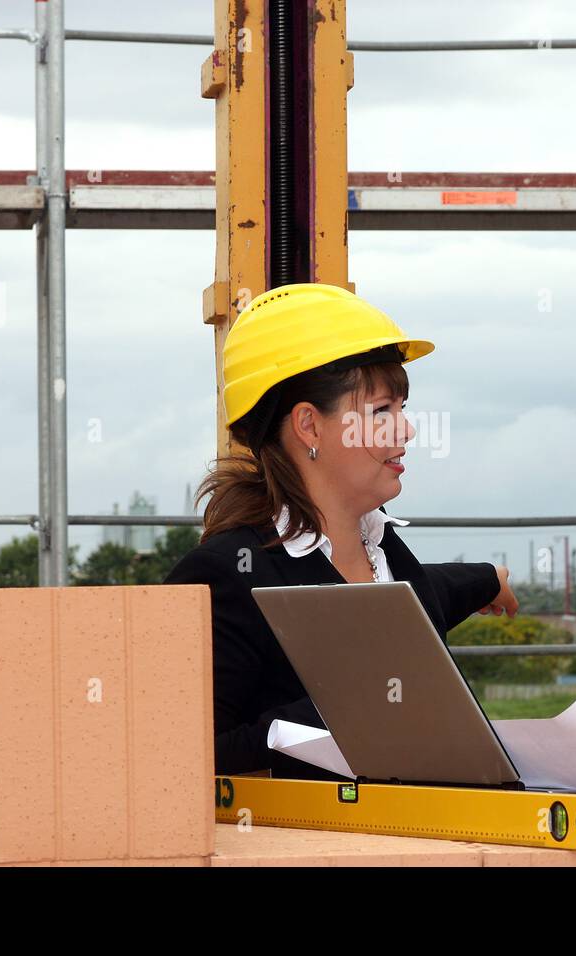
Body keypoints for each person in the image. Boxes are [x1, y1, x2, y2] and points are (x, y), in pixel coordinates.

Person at [165, 282, 518, 779]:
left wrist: (487, 578)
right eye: (382, 412)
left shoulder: (385, 550)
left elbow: (407, 600)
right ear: (309, 426)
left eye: (402, 409)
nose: (407, 430)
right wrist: (349, 709)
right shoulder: (227, 575)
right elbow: (186, 756)